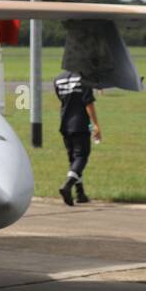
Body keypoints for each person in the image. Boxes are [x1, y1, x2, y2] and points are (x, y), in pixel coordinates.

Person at [53, 70, 101, 205]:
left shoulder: (58, 79)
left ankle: (80, 193)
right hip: (80, 124)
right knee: (81, 157)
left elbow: (62, 99)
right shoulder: (83, 78)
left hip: (65, 124)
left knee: (73, 160)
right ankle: (67, 186)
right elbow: (88, 102)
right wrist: (95, 125)